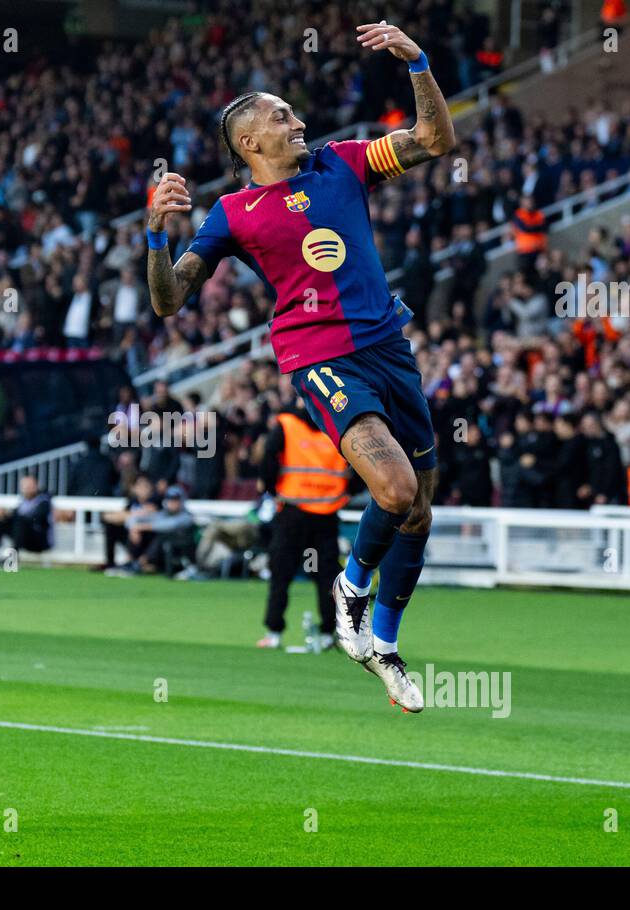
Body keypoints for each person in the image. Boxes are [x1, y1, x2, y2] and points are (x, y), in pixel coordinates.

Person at [146, 18, 455, 711]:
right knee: (397, 490)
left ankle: (384, 643)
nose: (299, 121)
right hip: (320, 353)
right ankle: (350, 590)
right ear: (249, 141)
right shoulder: (231, 212)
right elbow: (169, 300)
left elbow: (435, 140)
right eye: (282, 116)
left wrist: (417, 63)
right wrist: (154, 235)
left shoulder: (343, 161)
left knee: (419, 510)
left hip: (388, 347)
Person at [257, 401, 351, 649]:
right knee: (327, 577)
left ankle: (274, 632)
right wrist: (345, 492)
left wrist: (271, 489)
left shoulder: (286, 425)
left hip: (292, 511)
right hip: (326, 513)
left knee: (281, 573)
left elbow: (268, 461)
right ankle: (329, 634)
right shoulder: (338, 426)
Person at [0, 474, 53, 555]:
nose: (26, 489)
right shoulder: (22, 501)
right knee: (1, 519)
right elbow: (16, 516)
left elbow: (34, 518)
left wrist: (11, 515)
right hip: (24, 538)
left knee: (20, 522)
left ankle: (12, 557)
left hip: (40, 541)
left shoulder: (44, 501)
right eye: (24, 486)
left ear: (36, 486)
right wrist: (5, 515)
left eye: (29, 486)